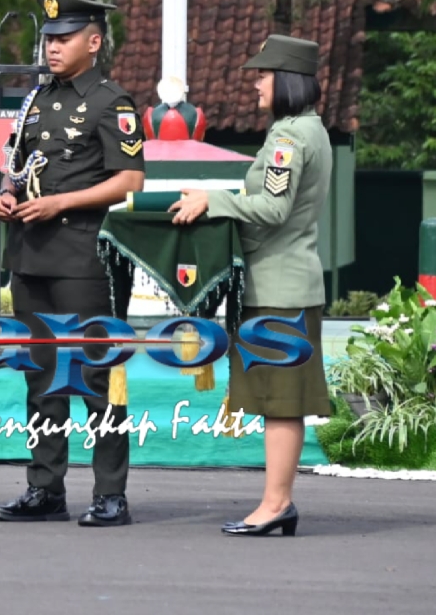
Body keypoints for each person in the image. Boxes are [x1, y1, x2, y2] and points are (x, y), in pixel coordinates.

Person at [0, 0, 145, 528]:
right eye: (48, 39)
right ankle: (45, 487)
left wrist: (61, 202)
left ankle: (110, 494)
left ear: (93, 42)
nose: (51, 48)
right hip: (31, 256)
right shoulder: (36, 99)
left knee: (97, 378)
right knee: (41, 378)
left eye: (62, 39)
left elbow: (129, 179)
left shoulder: (111, 101)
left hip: (84, 257)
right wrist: (8, 195)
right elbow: (20, 165)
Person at [168, 34, 332, 538]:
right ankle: (277, 501)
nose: (256, 84)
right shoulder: (309, 130)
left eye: (263, 75)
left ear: (286, 80)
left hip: (278, 288)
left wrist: (214, 200)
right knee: (278, 401)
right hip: (288, 284)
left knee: (280, 402)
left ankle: (276, 503)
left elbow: (274, 209)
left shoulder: (287, 138)